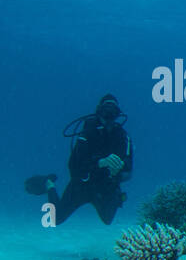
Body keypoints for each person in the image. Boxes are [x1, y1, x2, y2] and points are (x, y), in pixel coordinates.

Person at [25, 94, 134, 225]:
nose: (108, 116)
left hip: (105, 185)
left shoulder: (122, 135)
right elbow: (74, 166)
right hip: (82, 184)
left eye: (113, 112)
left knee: (107, 220)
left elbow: (128, 168)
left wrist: (120, 170)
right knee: (55, 219)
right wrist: (100, 162)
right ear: (99, 112)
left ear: (118, 114)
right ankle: (49, 184)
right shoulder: (88, 131)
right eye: (106, 111)